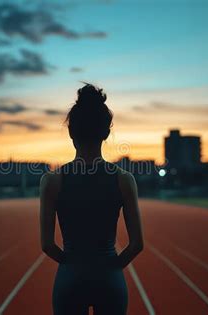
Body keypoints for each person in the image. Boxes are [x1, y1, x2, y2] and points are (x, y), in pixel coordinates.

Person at [40, 83, 144, 315]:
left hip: (70, 278)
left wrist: (74, 264)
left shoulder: (52, 180)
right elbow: (137, 244)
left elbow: (47, 245)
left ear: (70, 132)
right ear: (106, 132)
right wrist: (109, 268)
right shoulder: (124, 179)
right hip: (109, 279)